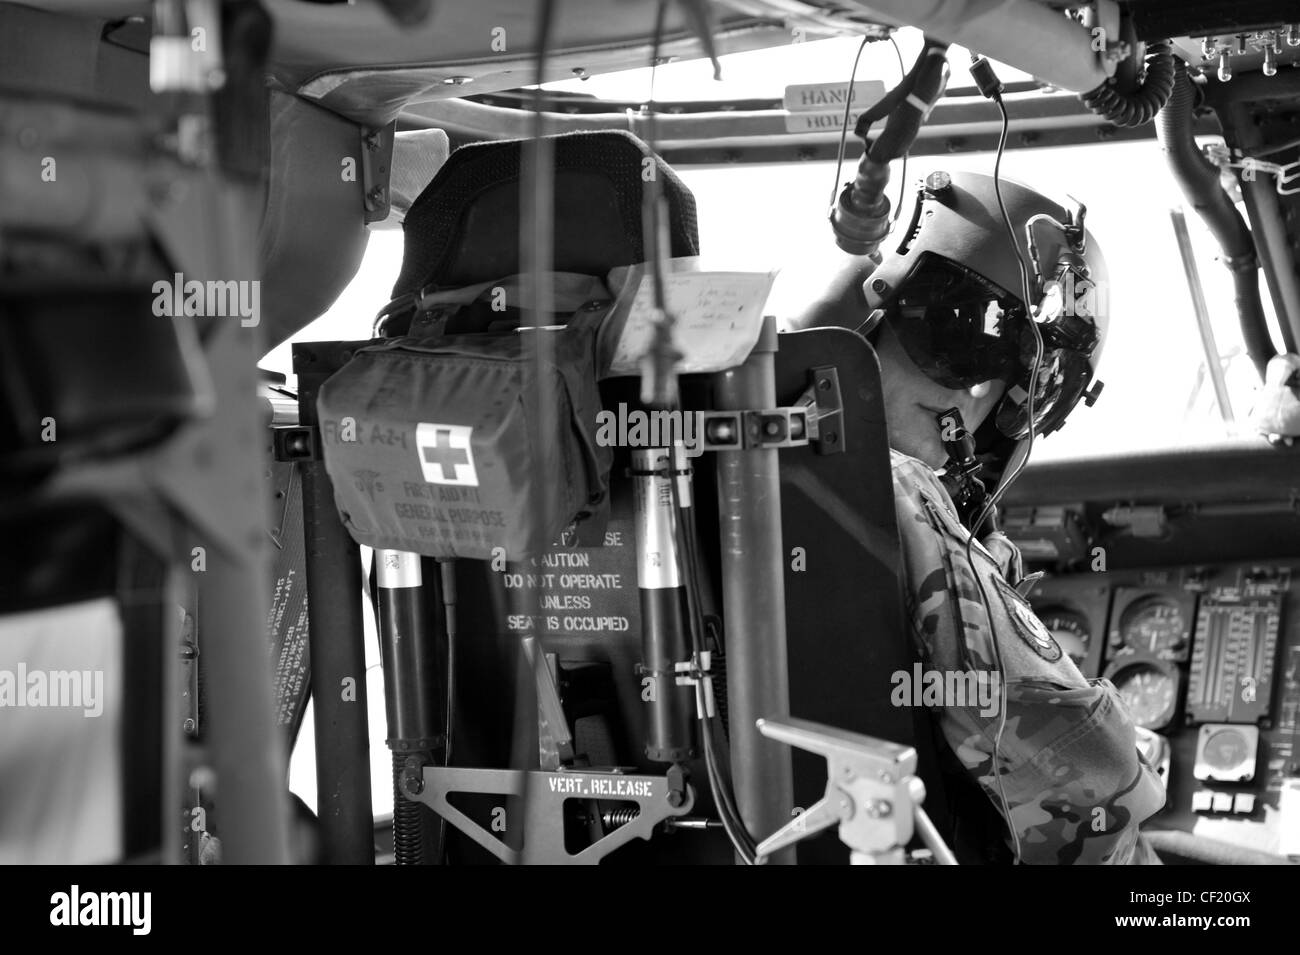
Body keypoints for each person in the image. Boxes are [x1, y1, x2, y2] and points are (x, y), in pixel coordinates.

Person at [857, 169, 1166, 864]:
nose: (973, 392)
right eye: (952, 329)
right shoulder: (902, 494)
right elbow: (1086, 790)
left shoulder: (636, 481)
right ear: (872, 315)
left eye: (1013, 376)